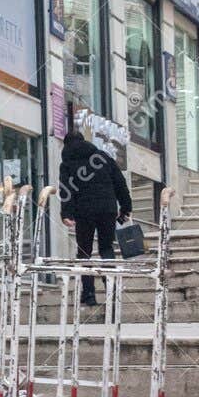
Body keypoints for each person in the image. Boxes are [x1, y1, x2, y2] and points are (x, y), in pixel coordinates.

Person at [58, 129, 132, 306]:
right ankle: (111, 291)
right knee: (107, 249)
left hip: (83, 212)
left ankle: (89, 294)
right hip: (107, 209)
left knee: (84, 252)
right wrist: (126, 206)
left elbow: (65, 190)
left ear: (66, 145)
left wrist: (66, 213)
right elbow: (119, 182)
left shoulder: (67, 163)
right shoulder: (102, 157)